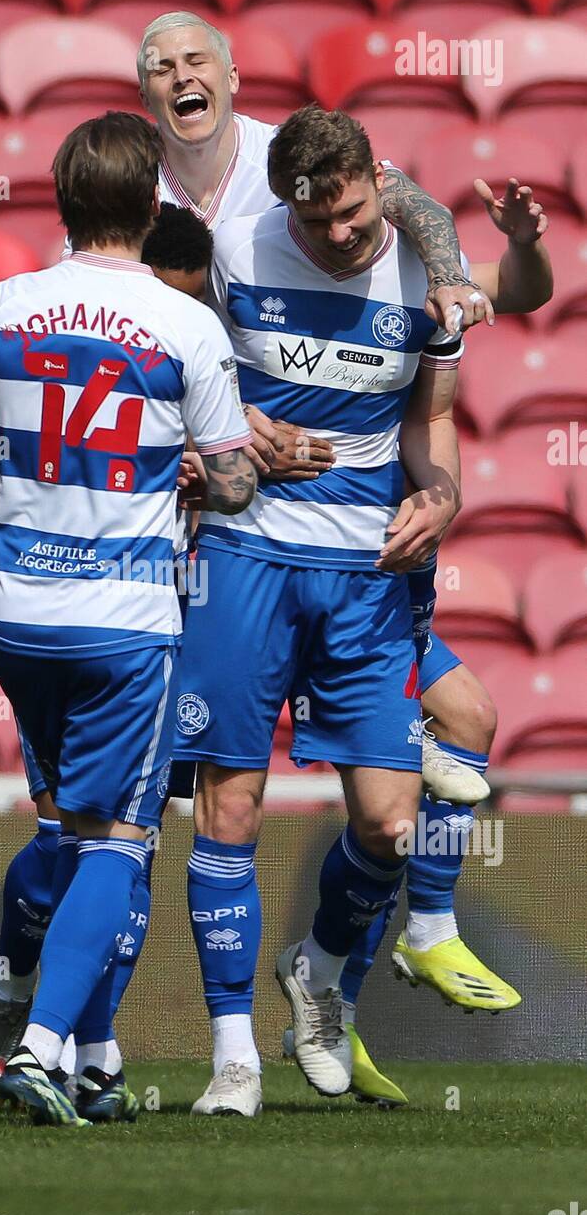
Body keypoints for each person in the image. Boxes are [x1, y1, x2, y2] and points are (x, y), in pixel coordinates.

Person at [0, 14, 503, 890]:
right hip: (181, 467)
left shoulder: (284, 169)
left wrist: (455, 266)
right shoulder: (128, 186)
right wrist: (219, 435)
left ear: (230, 75)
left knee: (431, 733)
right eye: (160, 67)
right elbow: (112, 340)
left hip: (277, 511)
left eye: (196, 61)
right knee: (2, 640)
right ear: (144, 91)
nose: (182, 77)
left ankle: (387, 925)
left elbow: (399, 200)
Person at [0, 113, 257, 1127]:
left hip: (18, 617)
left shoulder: (0, 302)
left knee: (63, 825)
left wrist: (8, 477)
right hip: (125, 616)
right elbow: (230, 485)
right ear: (154, 206)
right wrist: (191, 470)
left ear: (60, 201)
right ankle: (45, 1047)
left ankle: (83, 1052)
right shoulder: (184, 323)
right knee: (120, 840)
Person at [173, 103, 466, 1117]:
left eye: (347, 213)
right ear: (282, 203)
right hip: (244, 559)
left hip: (364, 580)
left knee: (390, 827)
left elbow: (432, 424)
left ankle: (319, 971)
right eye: (314, 221)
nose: (335, 235)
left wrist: (440, 494)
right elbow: (176, 372)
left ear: (373, 182)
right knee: (230, 808)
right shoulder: (232, 250)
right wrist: (235, 429)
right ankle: (233, 1058)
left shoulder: (426, 275)